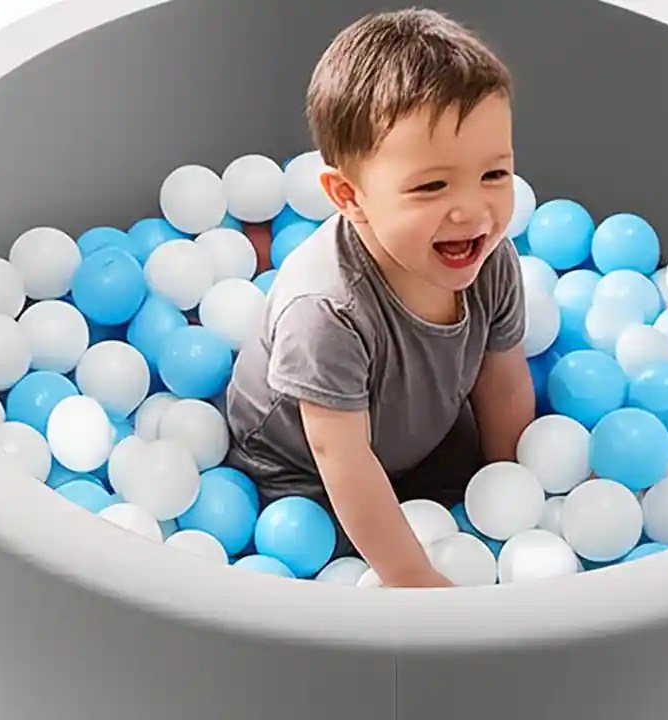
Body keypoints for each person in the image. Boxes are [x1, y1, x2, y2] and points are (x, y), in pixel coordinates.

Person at [223, 8, 534, 588]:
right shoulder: (327, 311)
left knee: (462, 475)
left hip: (418, 429)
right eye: (432, 186)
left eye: (494, 175)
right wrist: (415, 580)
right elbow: (342, 459)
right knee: (334, 554)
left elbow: (506, 384)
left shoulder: (490, 259)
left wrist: (513, 497)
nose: (472, 210)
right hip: (302, 465)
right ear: (350, 195)